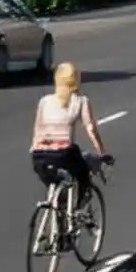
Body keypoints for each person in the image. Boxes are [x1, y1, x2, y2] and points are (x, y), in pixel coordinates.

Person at [30, 62, 111, 195]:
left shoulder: (44, 101)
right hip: (63, 154)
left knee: (53, 180)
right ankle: (78, 204)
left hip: (38, 156)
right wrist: (102, 152)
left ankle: (56, 205)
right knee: (82, 171)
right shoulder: (80, 100)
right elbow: (91, 128)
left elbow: (37, 130)